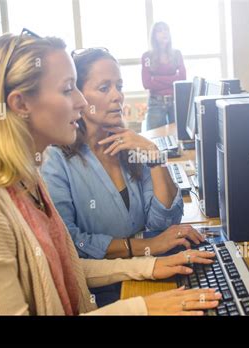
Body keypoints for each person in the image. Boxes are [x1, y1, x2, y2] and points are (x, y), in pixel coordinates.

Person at [0, 31, 220, 315]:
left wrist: (148, 266)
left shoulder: (27, 181)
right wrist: (143, 308)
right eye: (67, 89)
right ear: (20, 104)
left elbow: (70, 268)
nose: (80, 101)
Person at [41, 48, 204, 263]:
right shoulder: (56, 158)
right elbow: (70, 242)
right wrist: (145, 246)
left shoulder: (130, 147)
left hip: (143, 269)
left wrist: (156, 158)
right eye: (104, 88)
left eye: (119, 86)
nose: (117, 96)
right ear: (78, 96)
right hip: (103, 287)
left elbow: (164, 225)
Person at [141, 22, 186, 130]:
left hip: (176, 101)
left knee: (179, 136)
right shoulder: (147, 57)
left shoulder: (177, 54)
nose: (164, 32)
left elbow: (182, 79)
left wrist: (156, 79)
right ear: (154, 36)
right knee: (153, 138)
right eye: (160, 30)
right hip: (155, 103)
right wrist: (173, 79)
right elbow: (146, 83)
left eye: (166, 29)